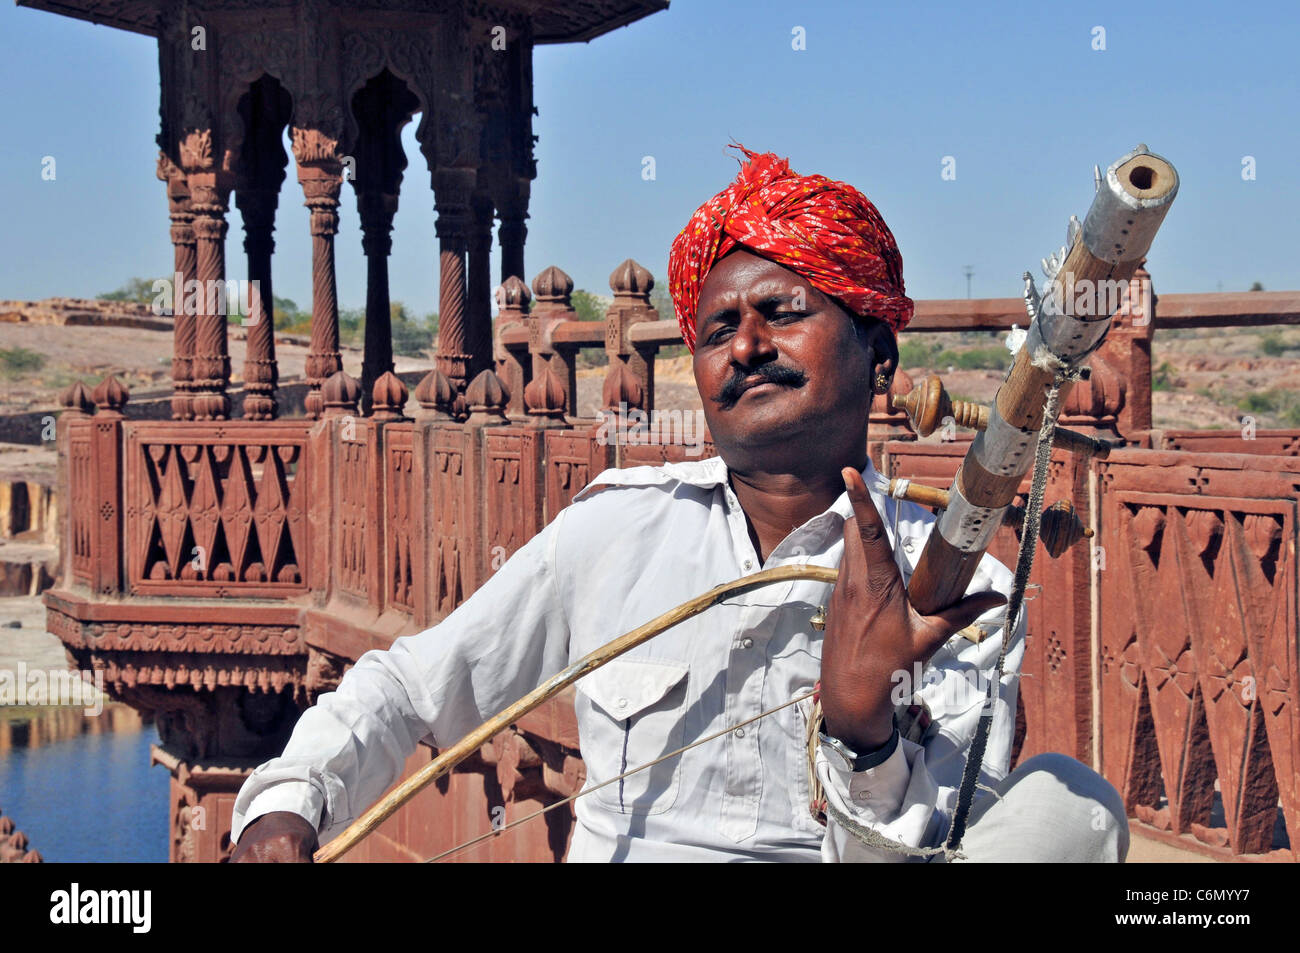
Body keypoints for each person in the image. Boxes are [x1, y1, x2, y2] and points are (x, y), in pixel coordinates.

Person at [230, 146, 1128, 863]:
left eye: (781, 311)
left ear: (878, 357)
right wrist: (285, 803)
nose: (745, 346)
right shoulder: (618, 529)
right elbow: (410, 688)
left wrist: (864, 734)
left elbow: (906, 855)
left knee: (1072, 811)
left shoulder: (961, 590)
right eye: (716, 329)